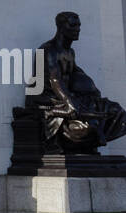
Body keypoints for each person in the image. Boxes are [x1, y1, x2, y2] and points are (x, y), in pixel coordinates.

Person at [36, 11, 126, 149]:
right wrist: (70, 104)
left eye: (78, 25)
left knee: (116, 112)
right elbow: (55, 80)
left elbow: (75, 72)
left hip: (73, 97)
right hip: (54, 100)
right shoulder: (48, 50)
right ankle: (85, 136)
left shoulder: (70, 52)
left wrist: (93, 91)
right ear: (60, 27)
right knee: (89, 125)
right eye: (73, 25)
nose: (77, 29)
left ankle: (92, 135)